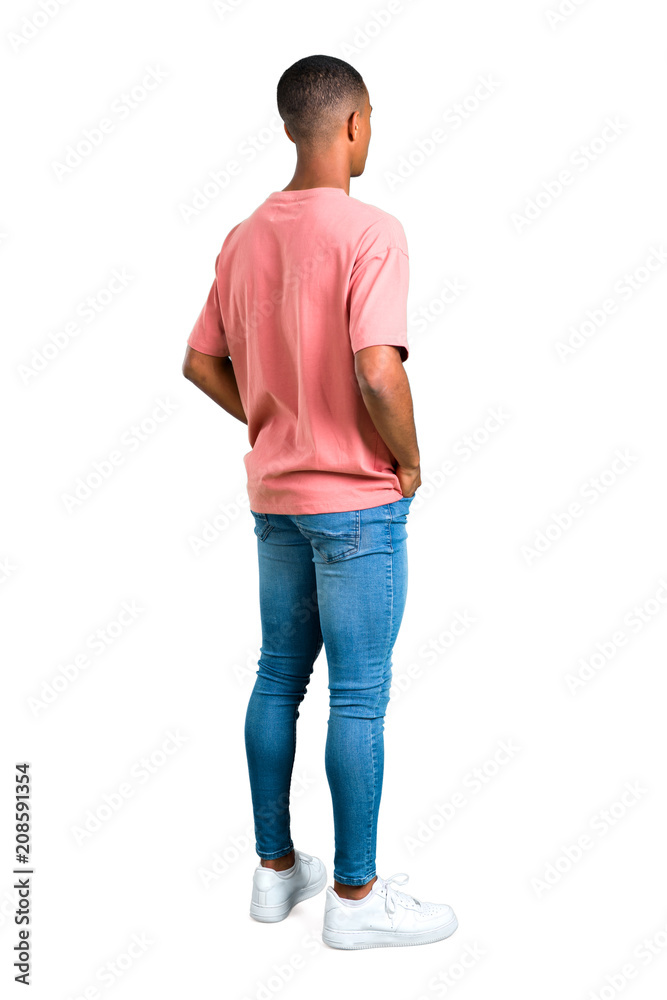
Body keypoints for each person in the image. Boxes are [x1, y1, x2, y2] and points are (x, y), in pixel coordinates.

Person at [182, 54, 457, 950]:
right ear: (349, 124)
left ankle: (273, 876)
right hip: (355, 507)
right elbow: (377, 366)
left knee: (276, 679)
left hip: (276, 501)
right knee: (359, 701)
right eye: (369, 119)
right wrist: (407, 460)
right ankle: (353, 898)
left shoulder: (244, 235)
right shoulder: (372, 230)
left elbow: (200, 362)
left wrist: (273, 417)